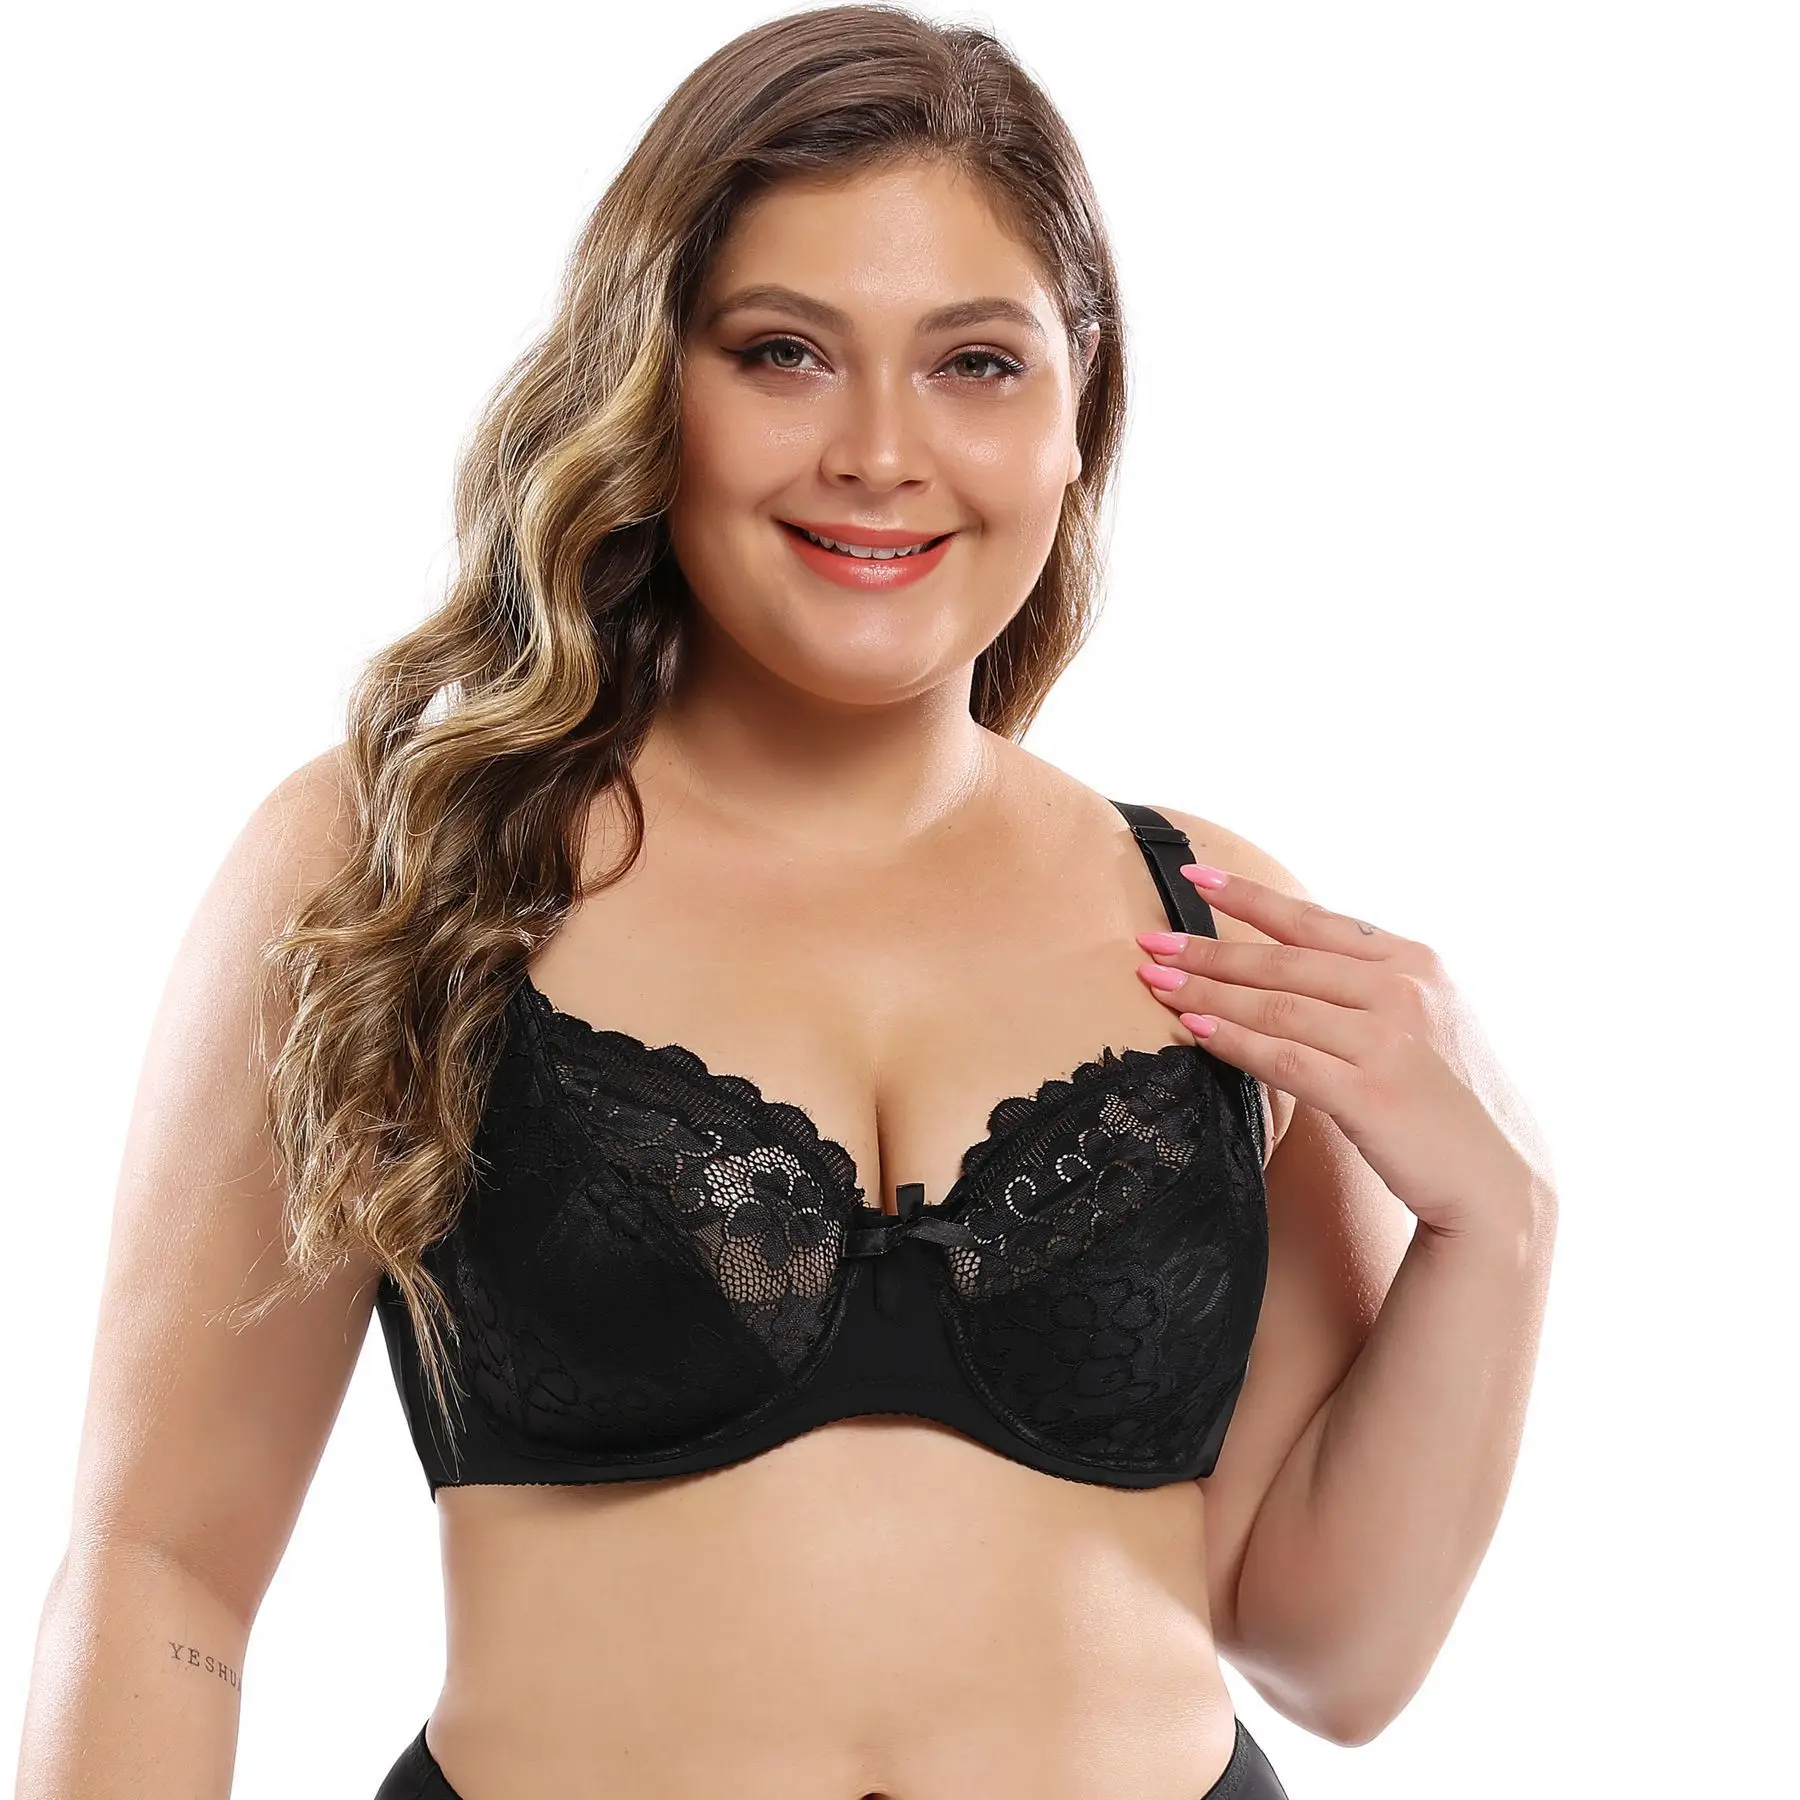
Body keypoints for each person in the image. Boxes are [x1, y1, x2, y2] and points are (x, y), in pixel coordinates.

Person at [15, 8, 1558, 1798]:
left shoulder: (1212, 919)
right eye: (784, 353)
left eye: (975, 363)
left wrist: (1500, 1223)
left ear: (1078, 413)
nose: (880, 452)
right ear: (650, 385)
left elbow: (1332, 1655)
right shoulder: (405, 870)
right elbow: (164, 1573)